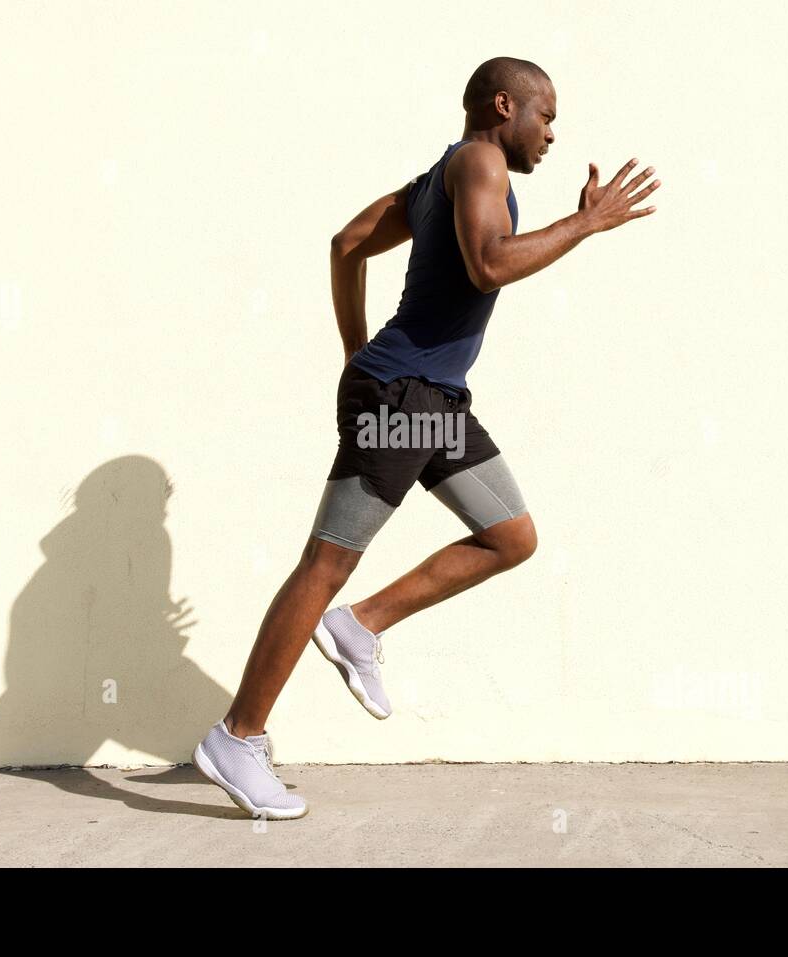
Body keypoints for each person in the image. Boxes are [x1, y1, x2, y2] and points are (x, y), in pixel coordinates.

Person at [193, 56, 661, 819]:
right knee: (325, 562)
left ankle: (362, 626)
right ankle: (237, 736)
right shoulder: (479, 161)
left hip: (430, 397)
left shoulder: (438, 178)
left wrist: (354, 355)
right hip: (405, 393)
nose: (551, 135)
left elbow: (346, 243)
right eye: (546, 118)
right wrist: (586, 221)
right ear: (504, 105)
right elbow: (487, 265)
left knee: (511, 536)